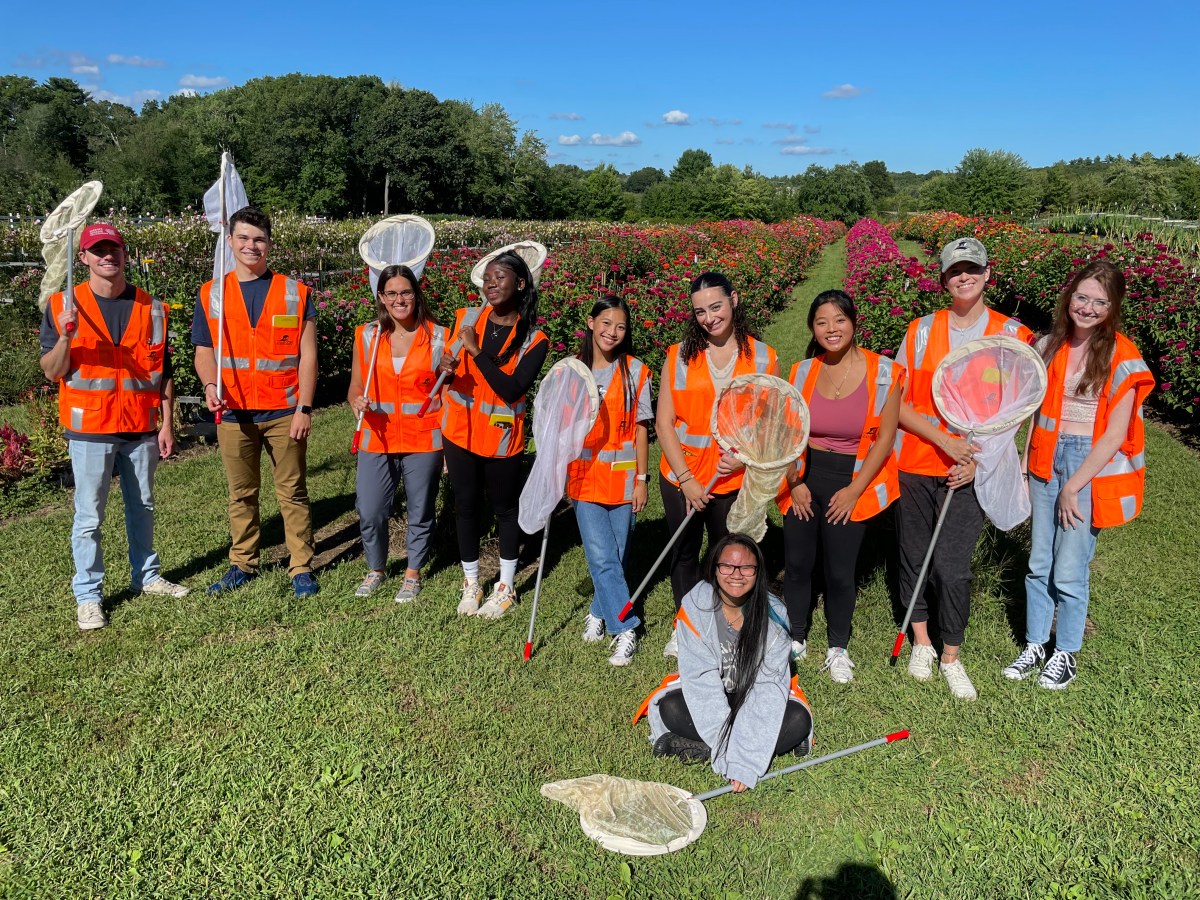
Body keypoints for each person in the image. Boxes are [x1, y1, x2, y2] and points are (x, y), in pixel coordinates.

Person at [1003, 260, 1153, 689]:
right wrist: (1026, 460)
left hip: (1087, 465)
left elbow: (1113, 436)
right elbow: (1035, 408)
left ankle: (1064, 652)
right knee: (1038, 563)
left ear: (1113, 307)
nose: (1087, 308)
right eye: (1082, 297)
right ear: (1069, 297)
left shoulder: (1122, 355)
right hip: (1046, 457)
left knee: (1070, 568)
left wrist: (1073, 485)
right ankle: (1034, 644)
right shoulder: (1050, 344)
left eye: (1100, 302)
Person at [894, 237, 1032, 700]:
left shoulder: (1013, 336)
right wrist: (944, 441)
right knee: (914, 554)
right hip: (917, 460)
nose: (964, 276)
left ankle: (952, 653)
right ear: (943, 279)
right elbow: (897, 404)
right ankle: (922, 641)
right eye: (955, 270)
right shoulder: (921, 331)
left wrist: (976, 461)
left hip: (972, 471)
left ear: (988, 274)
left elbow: (1016, 410)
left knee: (952, 567)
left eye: (973, 268)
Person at [40, 223, 189, 630]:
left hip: (140, 425)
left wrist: (166, 423)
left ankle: (147, 575)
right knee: (89, 517)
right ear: (83, 258)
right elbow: (52, 372)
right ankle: (88, 596)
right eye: (98, 250)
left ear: (125, 255)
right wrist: (66, 339)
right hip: (90, 428)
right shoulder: (62, 305)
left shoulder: (151, 307)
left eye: (114, 249)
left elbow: (164, 370)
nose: (108, 256)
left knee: (142, 507)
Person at [193, 207, 321, 598]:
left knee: (292, 492)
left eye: (260, 239)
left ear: (270, 244)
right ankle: (243, 564)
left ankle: (300, 566)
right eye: (244, 238)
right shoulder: (211, 292)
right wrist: (210, 384)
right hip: (232, 413)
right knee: (241, 494)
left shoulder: (294, 291)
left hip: (284, 411)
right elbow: (204, 350)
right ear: (229, 242)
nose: (252, 245)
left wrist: (304, 407)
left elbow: (309, 355)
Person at [779, 290, 903, 682]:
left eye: (839, 320)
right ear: (812, 329)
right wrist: (795, 481)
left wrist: (854, 491)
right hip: (805, 474)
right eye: (821, 322)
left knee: (838, 570)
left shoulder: (884, 372)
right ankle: (795, 636)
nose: (831, 329)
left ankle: (837, 647)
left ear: (854, 322)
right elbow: (786, 431)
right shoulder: (801, 373)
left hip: (851, 479)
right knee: (797, 565)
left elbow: (884, 439)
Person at [656, 272, 778, 656]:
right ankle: (687, 624)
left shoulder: (762, 356)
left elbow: (769, 421)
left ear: (734, 301)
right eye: (700, 312)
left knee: (730, 559)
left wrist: (742, 456)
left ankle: (729, 625)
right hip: (682, 477)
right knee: (685, 555)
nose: (709, 317)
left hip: (734, 478)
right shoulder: (677, 357)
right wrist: (687, 479)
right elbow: (664, 423)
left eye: (716, 306)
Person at [633, 534, 813, 793]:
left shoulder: (775, 613)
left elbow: (769, 687)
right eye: (727, 566)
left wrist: (745, 761)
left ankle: (704, 748)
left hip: (753, 695)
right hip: (710, 694)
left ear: (758, 571)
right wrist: (732, 754)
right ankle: (738, 747)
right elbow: (701, 683)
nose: (736, 574)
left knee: (796, 720)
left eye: (746, 567)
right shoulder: (696, 606)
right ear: (715, 569)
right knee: (671, 708)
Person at [438, 250, 549, 619]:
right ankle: (471, 582)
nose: (489, 283)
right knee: (466, 506)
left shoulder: (535, 338)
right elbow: (446, 373)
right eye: (486, 277)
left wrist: (477, 352)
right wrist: (445, 366)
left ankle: (505, 586)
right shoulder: (466, 318)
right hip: (460, 433)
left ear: (520, 283)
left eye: (498, 277)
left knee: (504, 510)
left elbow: (514, 389)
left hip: (501, 440)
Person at [347, 265, 447, 603]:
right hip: (377, 436)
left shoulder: (438, 336)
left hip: (424, 437)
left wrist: (448, 447)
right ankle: (376, 568)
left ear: (416, 294)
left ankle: (412, 572)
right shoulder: (367, 336)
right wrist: (357, 401)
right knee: (371, 508)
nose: (399, 299)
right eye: (391, 293)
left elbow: (447, 395)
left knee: (420, 508)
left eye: (405, 292)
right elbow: (354, 388)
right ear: (381, 297)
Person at [567, 296, 653, 666]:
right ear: (591, 323)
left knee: (615, 555)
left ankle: (598, 611)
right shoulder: (570, 370)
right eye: (605, 324)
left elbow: (640, 430)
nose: (612, 333)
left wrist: (642, 479)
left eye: (620, 327)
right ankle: (627, 627)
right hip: (584, 480)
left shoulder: (636, 371)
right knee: (602, 556)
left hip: (622, 482)